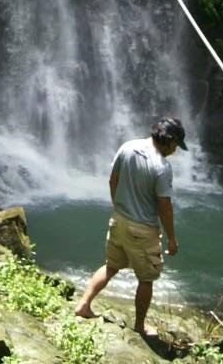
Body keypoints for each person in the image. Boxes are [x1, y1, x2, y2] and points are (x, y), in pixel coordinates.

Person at [74, 116, 187, 337]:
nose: (175, 151)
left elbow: (112, 180)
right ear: (169, 139)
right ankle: (140, 326)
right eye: (176, 145)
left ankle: (83, 305)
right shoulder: (162, 167)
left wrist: (119, 206)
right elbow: (165, 206)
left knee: (111, 266)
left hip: (118, 220)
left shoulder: (128, 147)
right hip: (143, 229)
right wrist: (171, 238)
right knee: (146, 278)